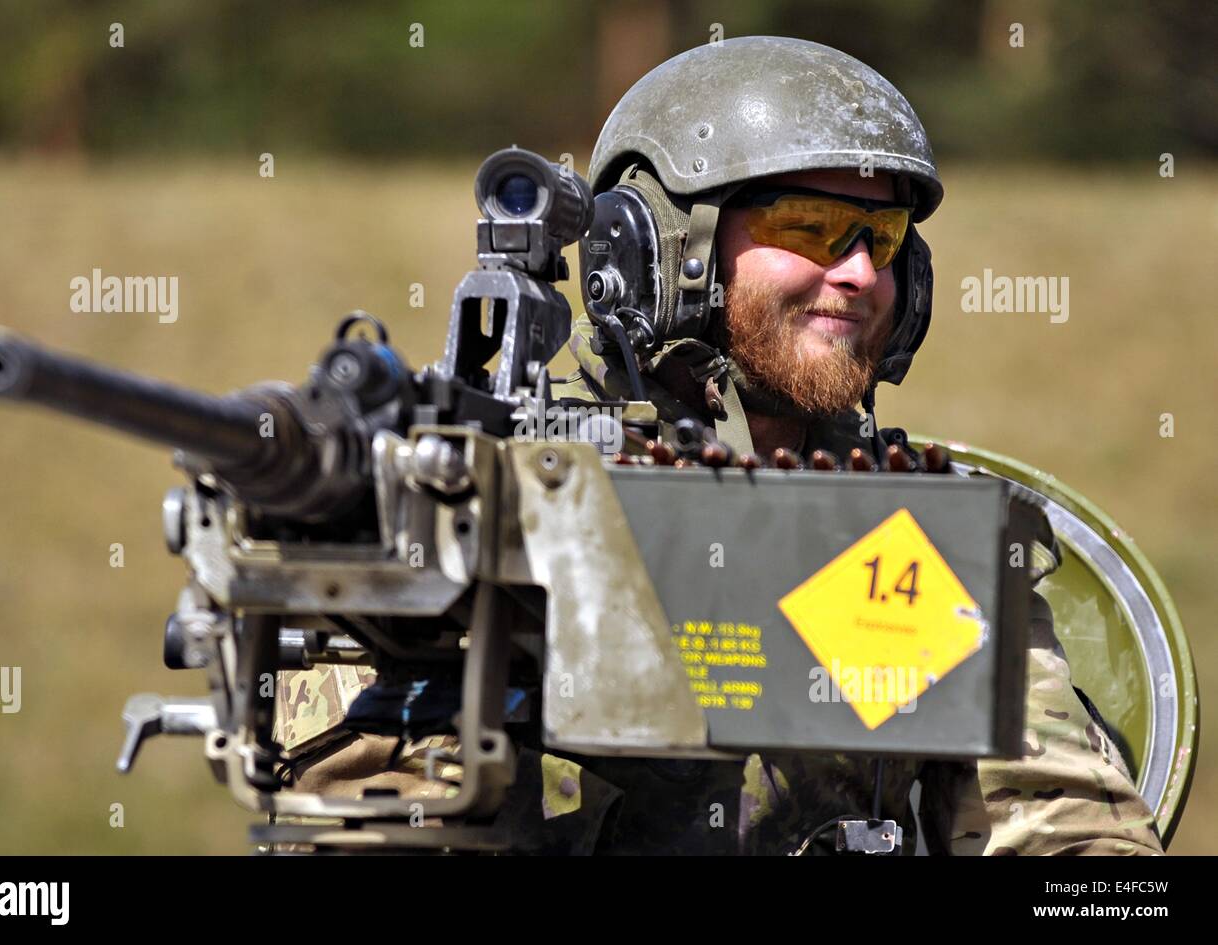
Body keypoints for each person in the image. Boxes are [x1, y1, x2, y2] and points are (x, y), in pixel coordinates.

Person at [282, 36, 1163, 855]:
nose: (860, 272)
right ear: (666, 249)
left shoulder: (889, 534)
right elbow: (367, 819)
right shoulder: (492, 492)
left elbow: (1064, 828)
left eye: (882, 239)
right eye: (812, 227)